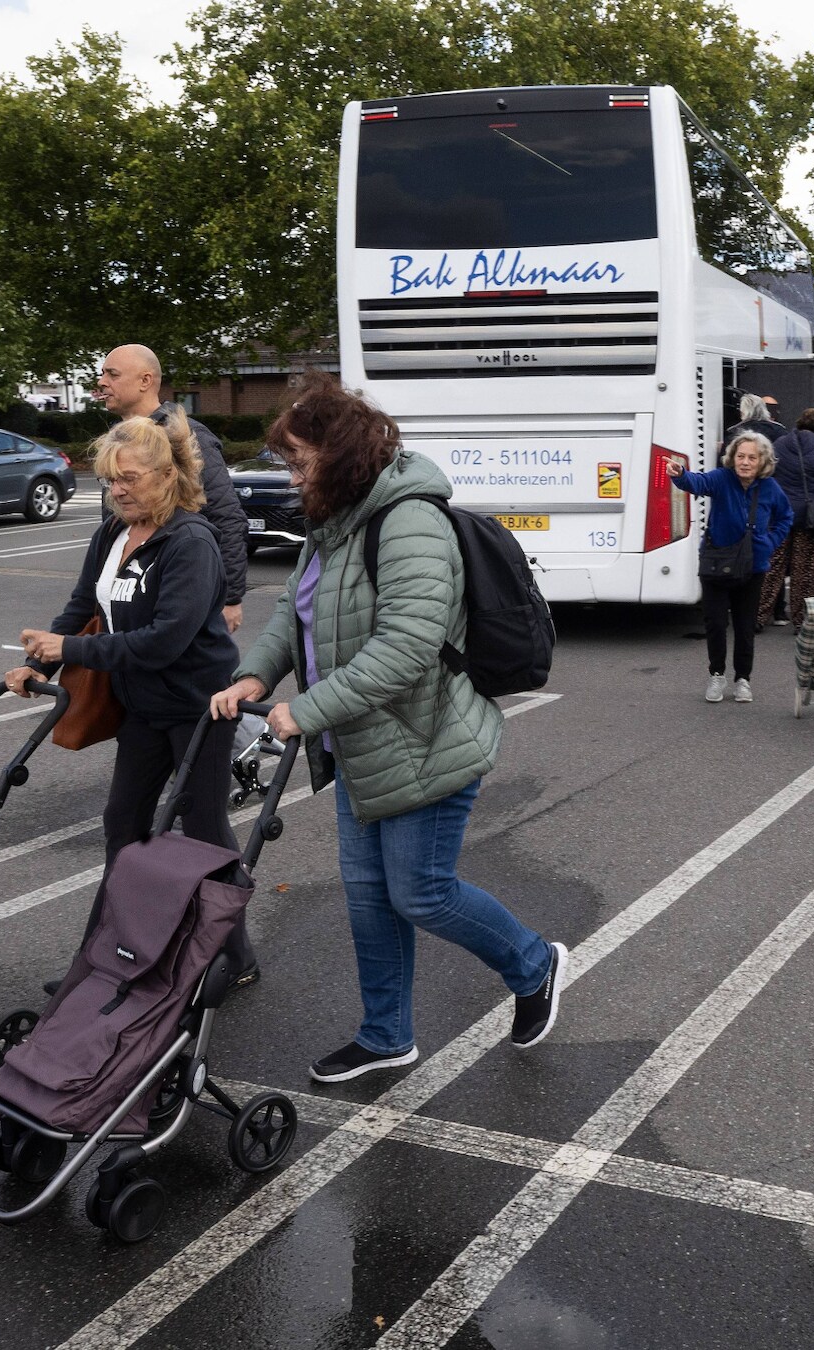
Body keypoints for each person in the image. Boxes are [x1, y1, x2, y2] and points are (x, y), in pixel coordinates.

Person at [210, 375, 566, 1082]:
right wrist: (256, 675)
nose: (292, 476)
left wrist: (306, 710)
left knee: (421, 892)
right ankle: (385, 1036)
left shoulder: (410, 522)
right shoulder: (333, 519)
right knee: (371, 901)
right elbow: (294, 612)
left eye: (299, 460)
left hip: (427, 739)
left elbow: (406, 647)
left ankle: (535, 964)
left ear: (342, 454)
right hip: (362, 743)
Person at [5, 411, 256, 984]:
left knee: (204, 830)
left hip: (198, 706)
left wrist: (71, 648)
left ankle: (236, 957)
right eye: (110, 479)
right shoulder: (112, 534)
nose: (117, 490)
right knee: (123, 823)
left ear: (167, 475)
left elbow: (165, 641)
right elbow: (80, 608)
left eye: (130, 478)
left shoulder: (191, 541)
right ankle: (105, 958)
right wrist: (35, 662)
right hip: (141, 706)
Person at [93, 344, 250, 633]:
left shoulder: (187, 439)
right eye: (102, 373)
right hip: (127, 605)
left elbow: (227, 518)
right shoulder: (119, 441)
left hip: (177, 604)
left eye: (112, 374)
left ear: (145, 381)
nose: (102, 381)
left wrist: (230, 599)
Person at [667, 431, 794, 703]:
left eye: (752, 457)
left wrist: (769, 543)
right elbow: (698, 482)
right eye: (740, 456)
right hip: (716, 563)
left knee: (745, 626)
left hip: (752, 567)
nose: (745, 462)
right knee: (715, 623)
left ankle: (743, 679)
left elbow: (785, 517)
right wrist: (680, 475)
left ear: (762, 461)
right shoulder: (722, 479)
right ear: (732, 458)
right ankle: (716, 675)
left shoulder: (770, 487)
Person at [759, 408, 814, 629]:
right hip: (808, 517)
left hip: (779, 514)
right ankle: (801, 619)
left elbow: (767, 475)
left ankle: (758, 615)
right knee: (804, 570)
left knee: (772, 566)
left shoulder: (779, 444)